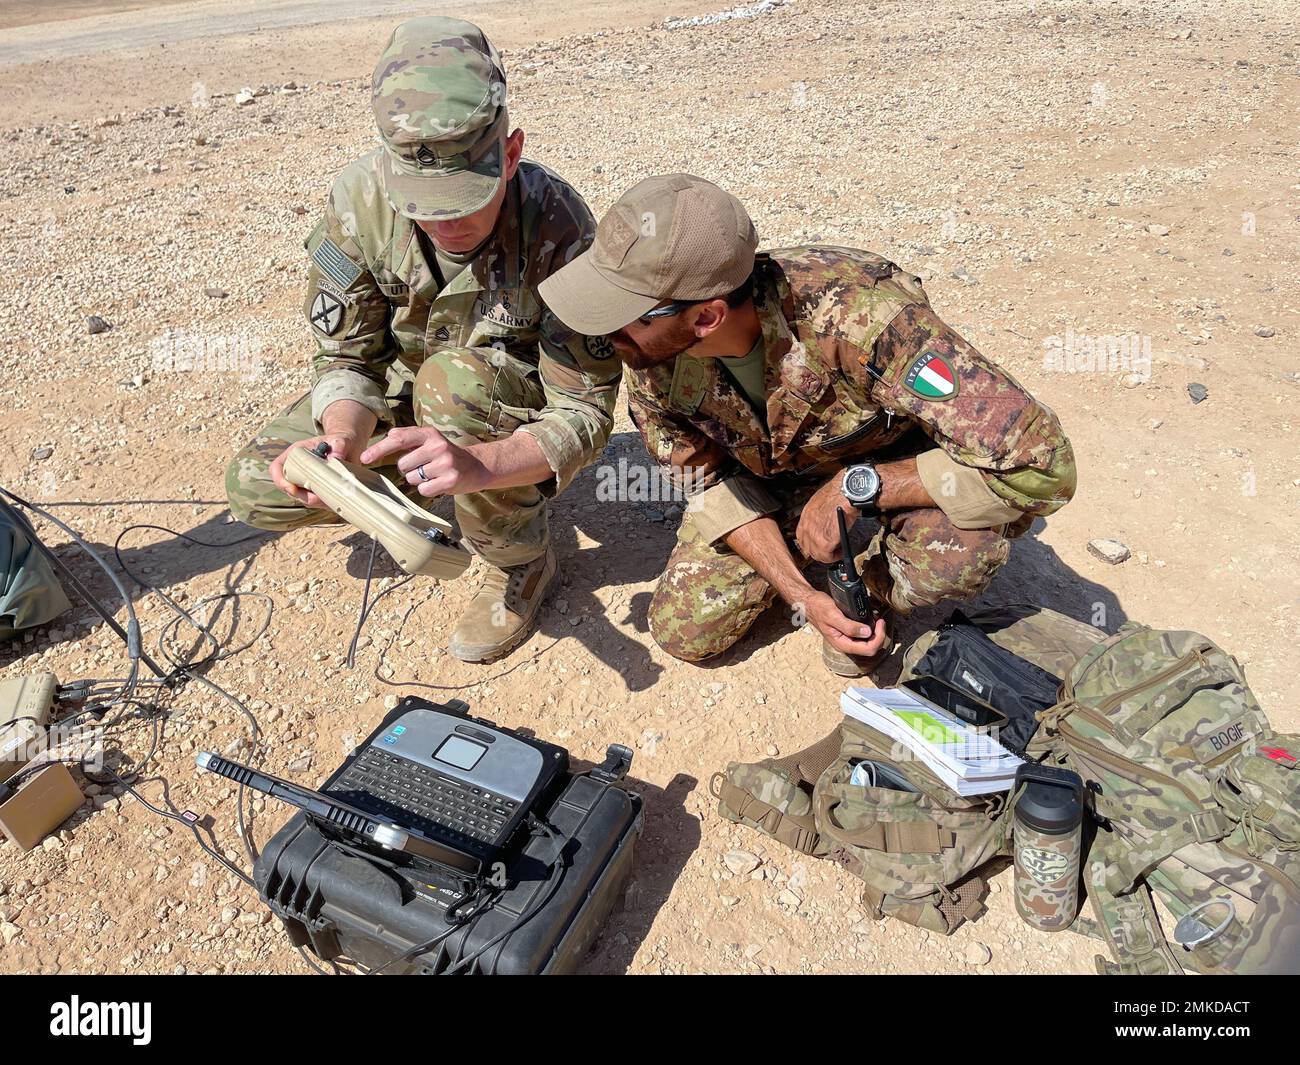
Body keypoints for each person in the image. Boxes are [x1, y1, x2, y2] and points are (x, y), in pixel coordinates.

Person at [539, 174, 1076, 675]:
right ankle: (830, 591)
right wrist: (803, 597)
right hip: (776, 472)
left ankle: (870, 594)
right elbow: (710, 484)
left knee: (957, 553)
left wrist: (861, 488)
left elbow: (1044, 464)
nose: (604, 335)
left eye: (622, 317)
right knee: (687, 630)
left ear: (707, 317)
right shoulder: (652, 360)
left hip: (891, 455)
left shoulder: (864, 320)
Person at [225, 17, 620, 663]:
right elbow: (351, 355)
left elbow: (584, 409)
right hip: (406, 399)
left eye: (464, 197)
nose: (444, 221)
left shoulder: (560, 227)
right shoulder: (358, 203)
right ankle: (423, 483)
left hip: (493, 409)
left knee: (453, 384)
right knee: (257, 486)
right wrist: (344, 437)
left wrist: (483, 466)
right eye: (422, 201)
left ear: (511, 153)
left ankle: (518, 560)